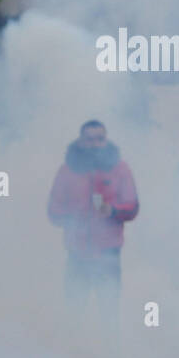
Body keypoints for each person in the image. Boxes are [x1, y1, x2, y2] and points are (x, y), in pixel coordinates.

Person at [47, 120, 139, 329]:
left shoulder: (120, 168)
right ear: (81, 141)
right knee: (74, 314)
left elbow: (132, 206)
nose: (96, 144)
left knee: (109, 315)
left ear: (106, 140)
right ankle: (74, 357)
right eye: (90, 139)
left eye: (100, 139)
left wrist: (113, 210)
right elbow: (53, 211)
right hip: (77, 254)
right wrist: (74, 217)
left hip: (109, 254)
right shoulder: (67, 170)